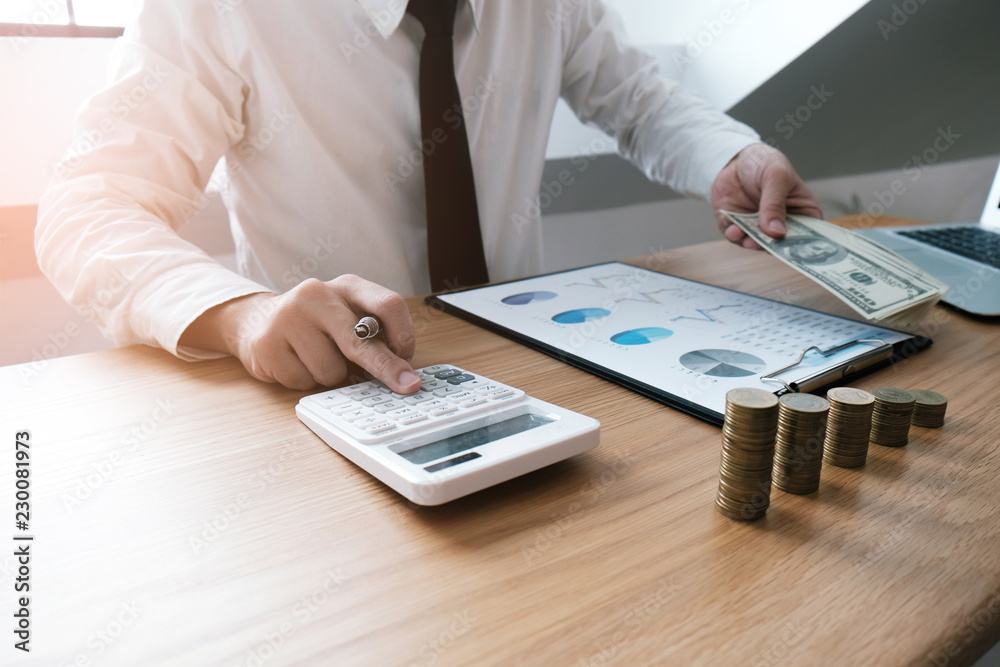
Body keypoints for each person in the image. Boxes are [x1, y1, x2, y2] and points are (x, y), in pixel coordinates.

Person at [36, 0, 822, 395]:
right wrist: (242, 315)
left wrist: (730, 154)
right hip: (328, 392)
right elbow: (87, 207)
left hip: (529, 363)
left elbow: (639, 100)